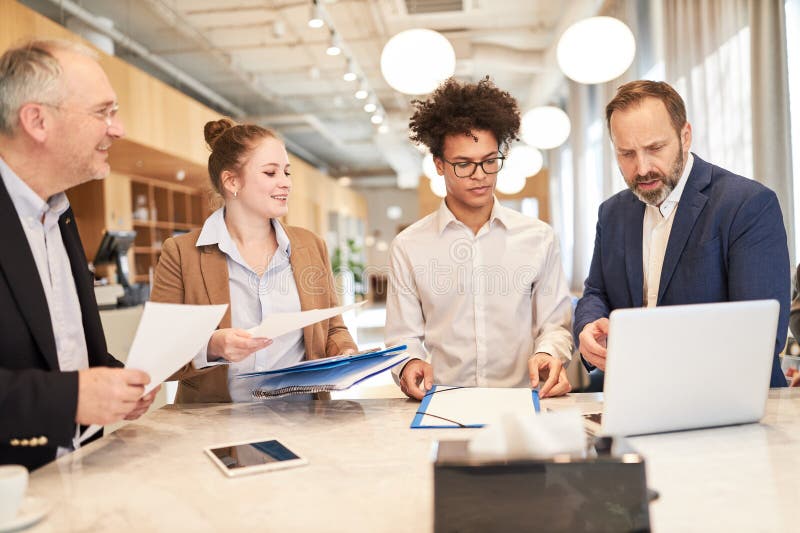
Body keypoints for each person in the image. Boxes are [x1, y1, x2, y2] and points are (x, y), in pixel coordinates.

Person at [0, 39, 158, 470]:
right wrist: (71, 399)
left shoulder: (60, 214)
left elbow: (60, 348)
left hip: (76, 478)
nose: (118, 128)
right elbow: (65, 387)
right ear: (37, 120)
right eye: (103, 112)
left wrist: (116, 381)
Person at [575, 80, 790, 388]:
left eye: (654, 148)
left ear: (685, 136)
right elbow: (596, 292)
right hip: (636, 398)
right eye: (626, 154)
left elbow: (760, 334)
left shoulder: (747, 204)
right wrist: (588, 325)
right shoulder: (612, 213)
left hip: (730, 403)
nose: (642, 168)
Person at [385, 77, 574, 400]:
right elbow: (403, 337)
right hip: (441, 402)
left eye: (489, 161)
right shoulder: (409, 246)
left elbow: (555, 325)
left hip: (521, 400)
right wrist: (409, 364)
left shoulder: (538, 238)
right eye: (463, 164)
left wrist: (549, 352)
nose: (480, 175)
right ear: (439, 165)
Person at [149, 119, 357, 403]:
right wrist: (212, 345)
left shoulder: (310, 245)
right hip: (218, 427)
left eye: (286, 172)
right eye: (270, 173)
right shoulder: (181, 253)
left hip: (304, 421)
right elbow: (159, 351)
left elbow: (333, 327)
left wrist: (345, 354)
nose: (285, 182)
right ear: (232, 181)